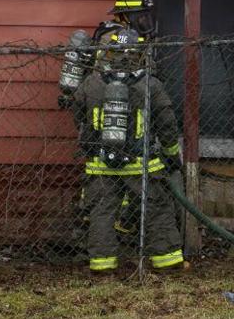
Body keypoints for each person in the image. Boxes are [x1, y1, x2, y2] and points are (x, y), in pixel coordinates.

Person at [73, 24, 185, 274]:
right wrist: (171, 154)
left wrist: (91, 141)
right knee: (157, 209)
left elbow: (78, 114)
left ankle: (102, 265)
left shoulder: (92, 83)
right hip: (141, 164)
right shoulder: (150, 85)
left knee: (102, 213)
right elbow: (167, 123)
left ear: (110, 53)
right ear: (139, 55)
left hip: (101, 164)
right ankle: (167, 262)